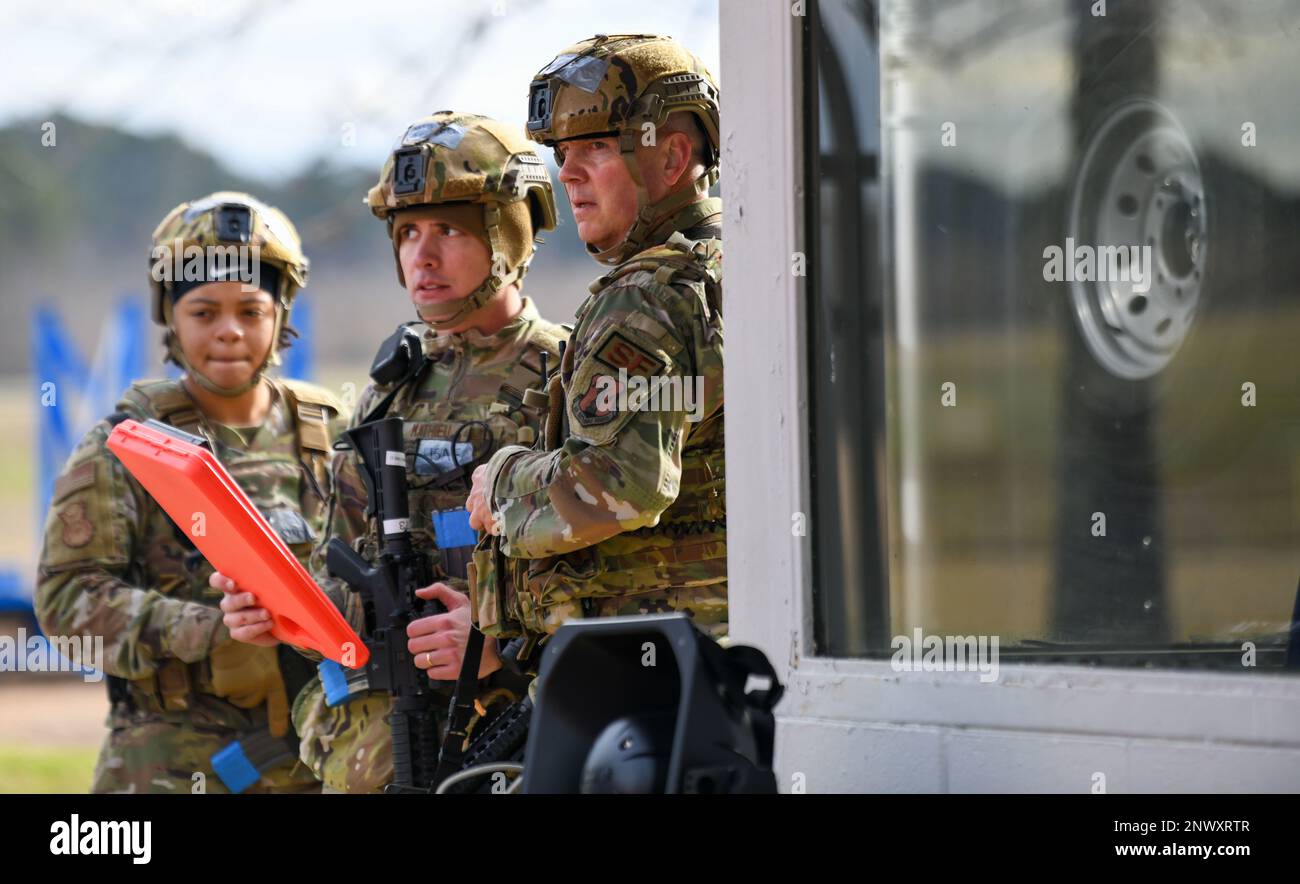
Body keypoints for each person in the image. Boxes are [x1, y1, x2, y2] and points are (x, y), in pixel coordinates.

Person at [215, 111, 568, 792]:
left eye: (448, 231)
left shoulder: (566, 378)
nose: (421, 257)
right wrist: (281, 611)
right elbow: (344, 569)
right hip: (374, 754)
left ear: (508, 235)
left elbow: (624, 585)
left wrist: (504, 641)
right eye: (407, 233)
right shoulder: (392, 392)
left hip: (515, 742)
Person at [35, 192, 348, 793]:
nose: (229, 332)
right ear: (171, 317)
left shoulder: (337, 429)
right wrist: (209, 630)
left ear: (281, 314)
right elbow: (65, 600)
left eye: (251, 311)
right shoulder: (126, 448)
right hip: (171, 764)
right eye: (204, 312)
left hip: (324, 756)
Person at [465, 34, 727, 655]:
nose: (568, 174)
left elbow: (620, 481)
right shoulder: (742, 263)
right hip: (722, 646)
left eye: (596, 148)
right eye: (562, 152)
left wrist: (499, 483)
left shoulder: (645, 297)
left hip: (649, 660)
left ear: (671, 158)